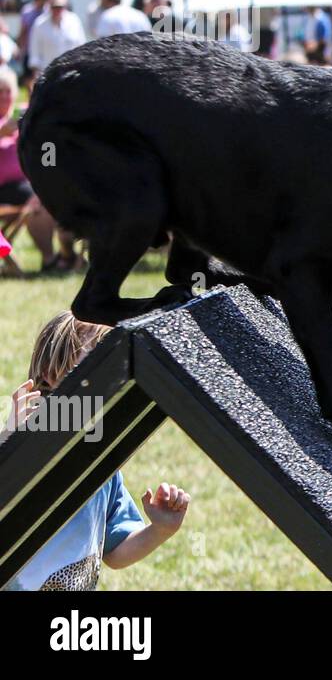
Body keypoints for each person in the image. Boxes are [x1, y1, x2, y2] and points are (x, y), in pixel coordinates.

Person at [2, 312, 190, 590]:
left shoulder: (99, 460)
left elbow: (115, 552)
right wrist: (10, 443)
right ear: (50, 373)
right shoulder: (16, 439)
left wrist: (160, 529)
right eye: (97, 357)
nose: (110, 371)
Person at [0, 67, 77, 271]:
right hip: (4, 189)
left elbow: (49, 152)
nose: (5, 96)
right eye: (0, 91)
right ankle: (56, 258)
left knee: (49, 196)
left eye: (8, 91)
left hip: (30, 184)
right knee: (40, 197)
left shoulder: (27, 116)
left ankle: (55, 258)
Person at [27, 0, 86, 77]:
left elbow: (82, 47)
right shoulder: (39, 24)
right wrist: (36, 75)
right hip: (48, 74)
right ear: (49, 5)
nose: (57, 10)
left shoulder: (74, 20)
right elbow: (34, 52)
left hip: (71, 73)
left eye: (60, 7)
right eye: (54, 7)